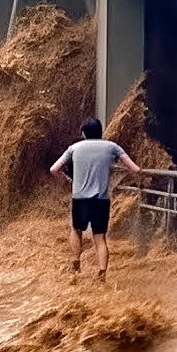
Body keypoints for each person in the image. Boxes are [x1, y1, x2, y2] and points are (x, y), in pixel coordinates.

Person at [49, 116, 142, 282]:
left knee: (76, 231)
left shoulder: (74, 147)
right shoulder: (112, 146)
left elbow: (54, 169)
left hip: (80, 199)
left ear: (84, 133)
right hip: (101, 200)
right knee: (100, 238)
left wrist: (70, 178)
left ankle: (76, 266)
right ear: (101, 132)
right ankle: (102, 275)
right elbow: (135, 168)